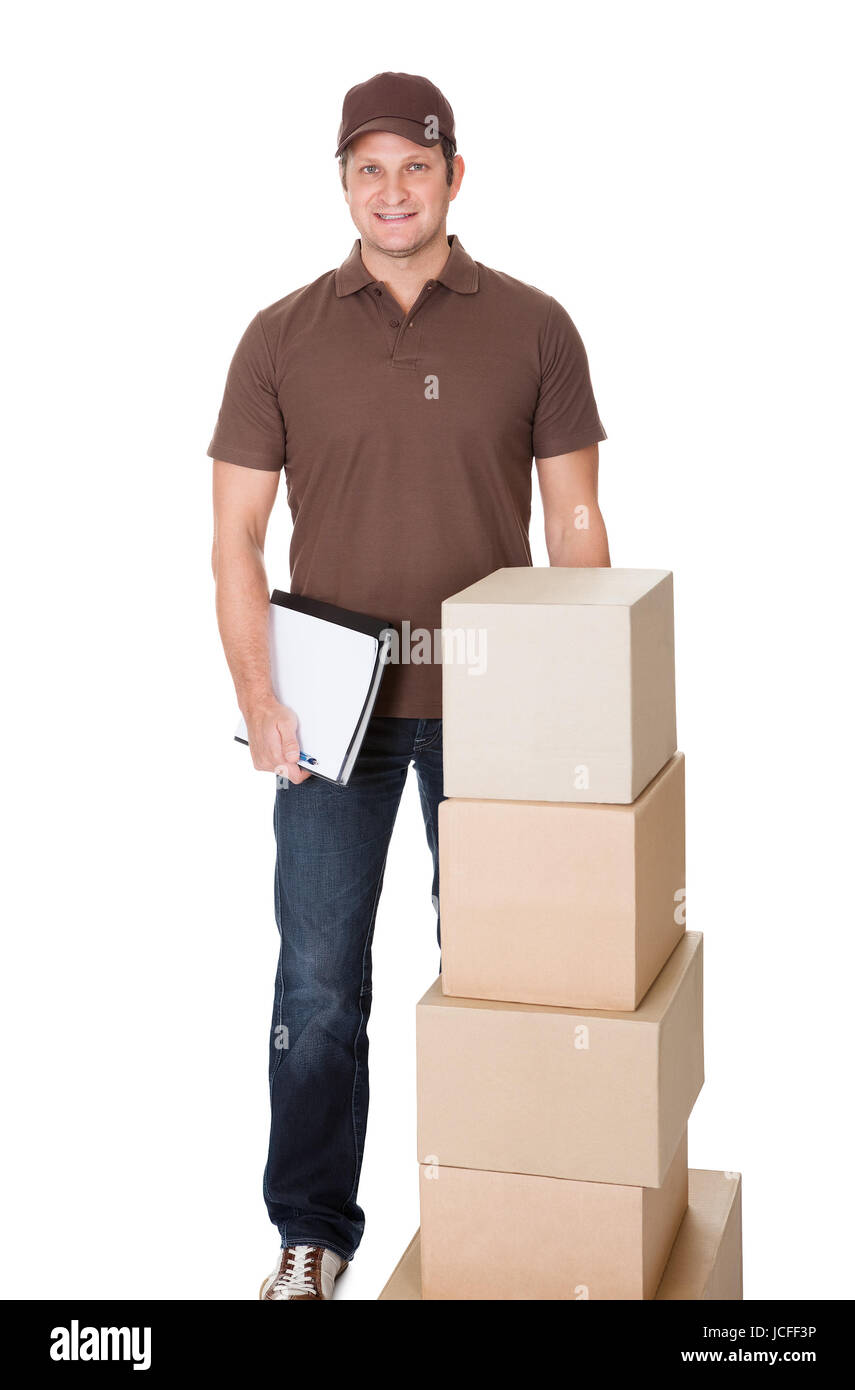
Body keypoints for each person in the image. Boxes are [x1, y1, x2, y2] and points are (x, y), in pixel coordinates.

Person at [207, 70, 611, 1300]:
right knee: (319, 983)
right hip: (331, 716)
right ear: (342, 182)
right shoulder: (279, 335)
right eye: (368, 168)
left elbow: (578, 524)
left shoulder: (533, 325)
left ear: (454, 176)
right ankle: (312, 1235)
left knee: (506, 979)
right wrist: (260, 694)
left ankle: (516, 1225)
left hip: (493, 713)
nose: (392, 190)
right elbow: (234, 539)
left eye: (415, 166)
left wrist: (590, 699)